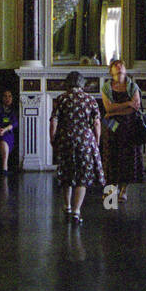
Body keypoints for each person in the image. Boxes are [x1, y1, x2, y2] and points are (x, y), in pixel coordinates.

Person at [51, 71, 104, 225]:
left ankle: (66, 207)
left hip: (66, 138)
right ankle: (76, 212)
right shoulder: (90, 99)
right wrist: (96, 140)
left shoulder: (62, 99)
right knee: (82, 176)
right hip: (85, 140)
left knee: (66, 173)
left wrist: (52, 139)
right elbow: (97, 123)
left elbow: (53, 120)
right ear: (82, 84)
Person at [100, 59, 144, 204]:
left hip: (130, 128)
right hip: (112, 129)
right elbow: (108, 108)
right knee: (111, 158)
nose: (119, 68)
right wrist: (127, 104)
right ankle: (110, 192)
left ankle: (124, 190)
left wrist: (116, 108)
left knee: (128, 159)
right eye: (115, 66)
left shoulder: (132, 86)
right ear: (111, 70)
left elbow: (135, 106)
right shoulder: (107, 87)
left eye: (121, 65)